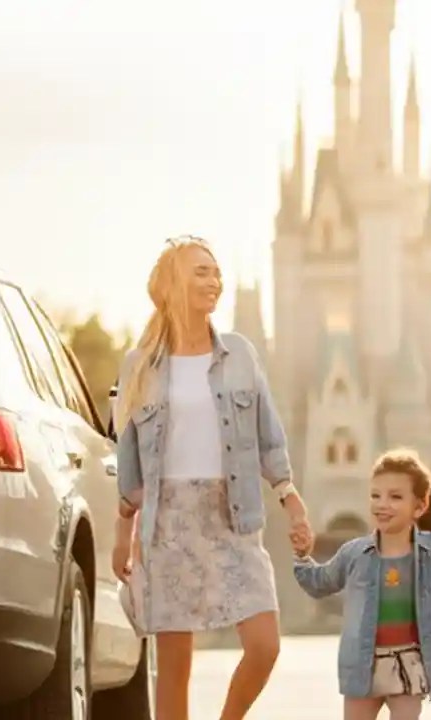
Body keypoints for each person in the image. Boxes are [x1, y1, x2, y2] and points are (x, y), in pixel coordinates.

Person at [111, 235, 314, 720]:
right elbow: (130, 462)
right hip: (169, 523)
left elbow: (269, 437)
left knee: (264, 645)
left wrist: (291, 499)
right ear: (173, 284)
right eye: (201, 271)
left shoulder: (240, 354)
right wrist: (125, 535)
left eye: (216, 271)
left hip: (233, 515)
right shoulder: (140, 366)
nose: (213, 280)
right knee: (174, 670)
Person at [292, 448, 431, 720]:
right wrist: (302, 556)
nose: (382, 504)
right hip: (363, 664)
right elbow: (320, 583)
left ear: (419, 506)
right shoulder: (355, 554)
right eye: (375, 496)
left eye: (395, 497)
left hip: (409, 663)